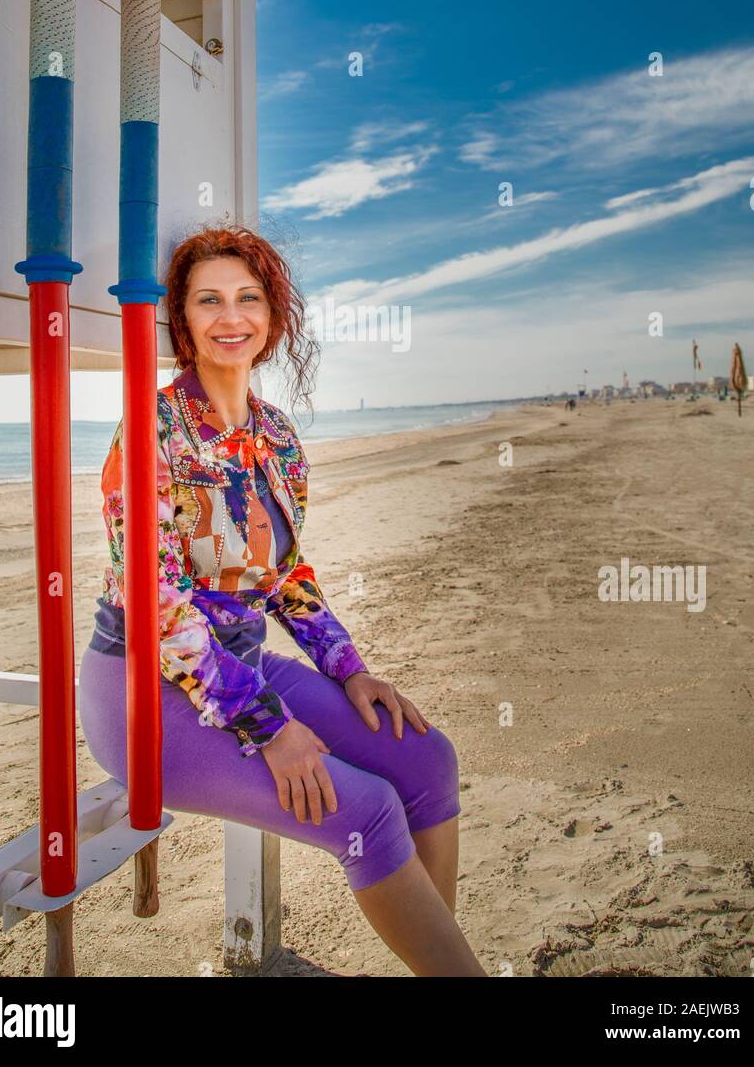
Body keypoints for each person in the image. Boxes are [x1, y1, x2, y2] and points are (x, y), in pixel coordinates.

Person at [78, 225, 487, 977]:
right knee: (364, 810)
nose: (231, 317)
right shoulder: (151, 430)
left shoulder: (278, 438)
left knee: (427, 761)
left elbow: (288, 577)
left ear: (272, 318)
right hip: (145, 691)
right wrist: (271, 728)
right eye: (209, 300)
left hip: (241, 664)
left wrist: (350, 668)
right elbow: (158, 608)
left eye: (249, 299)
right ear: (183, 319)